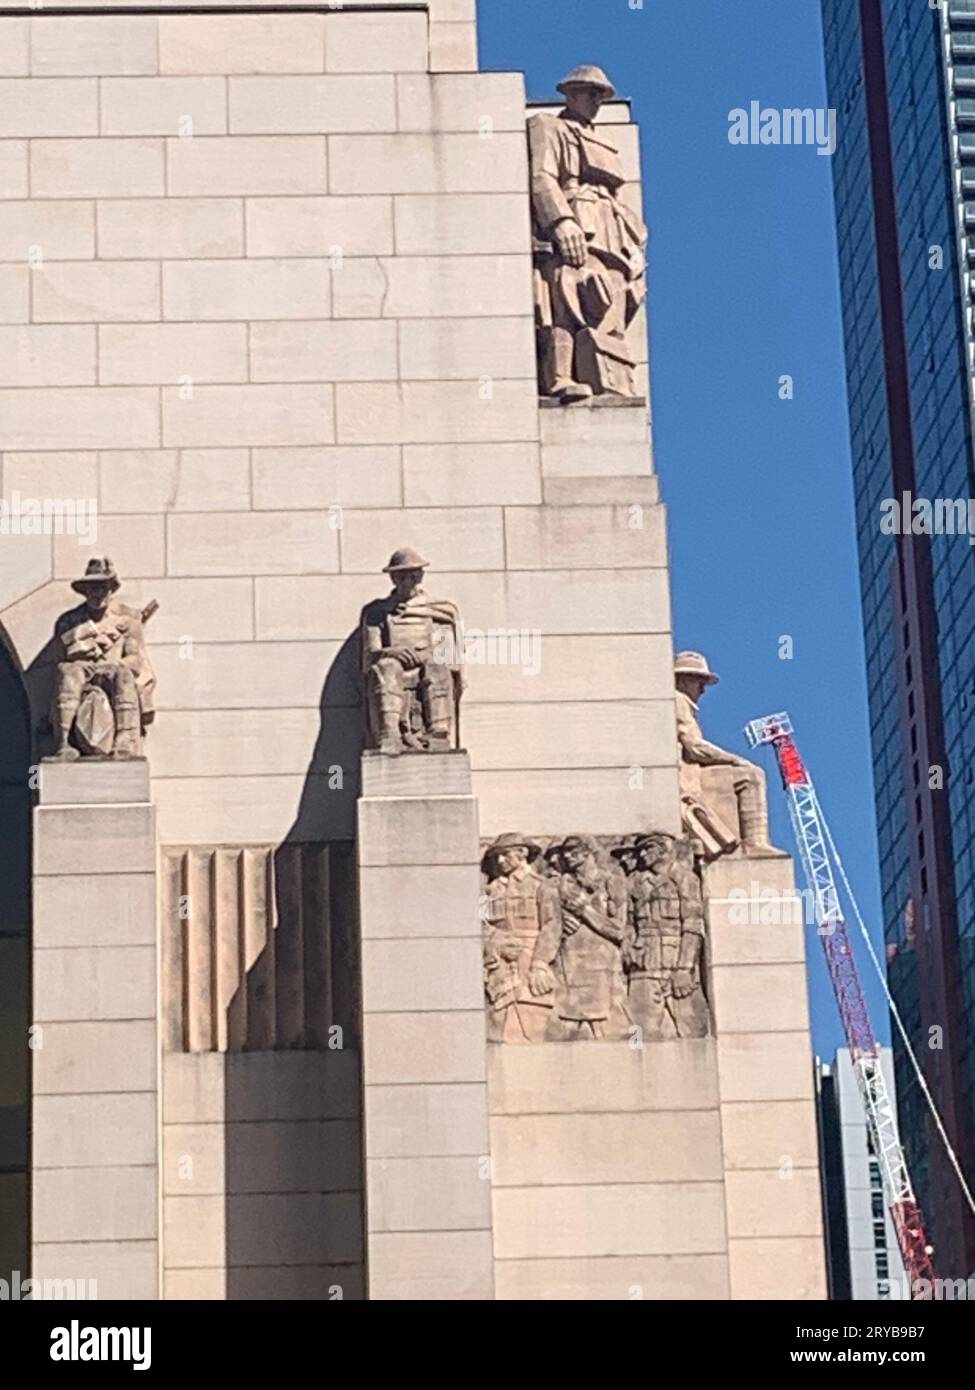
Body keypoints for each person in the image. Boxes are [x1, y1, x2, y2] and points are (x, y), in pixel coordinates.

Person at [528, 65, 647, 401]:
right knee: (566, 296)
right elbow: (542, 178)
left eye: (600, 95)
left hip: (611, 230)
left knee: (610, 303)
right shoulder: (549, 127)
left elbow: (616, 198)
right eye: (590, 92)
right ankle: (560, 376)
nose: (596, 101)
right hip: (577, 219)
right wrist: (561, 221)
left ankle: (607, 379)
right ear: (571, 93)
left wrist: (633, 246)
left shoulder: (604, 143)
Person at [359, 548, 464, 755]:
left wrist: (427, 654)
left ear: (421, 576)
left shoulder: (439, 611)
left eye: (413, 575)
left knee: (437, 666)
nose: (408, 581)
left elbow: (448, 654)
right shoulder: (377, 612)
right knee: (386, 669)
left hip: (428, 660)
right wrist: (392, 652)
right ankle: (389, 734)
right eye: (401, 575)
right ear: (393, 578)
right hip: (394, 662)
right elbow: (370, 654)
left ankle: (438, 731)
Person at [50, 557, 156, 760]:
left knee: (123, 676)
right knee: (68, 673)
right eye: (91, 588)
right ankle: (63, 742)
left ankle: (124, 741)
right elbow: (61, 659)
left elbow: (135, 658)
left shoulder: (127, 621)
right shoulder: (69, 621)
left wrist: (117, 664)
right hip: (82, 671)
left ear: (110, 589)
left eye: (101, 587)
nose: (96, 593)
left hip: (113, 670)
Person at [481, 834, 562, 1044]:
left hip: (530, 964)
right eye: (496, 857)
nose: (499, 861)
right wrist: (496, 942)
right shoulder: (489, 891)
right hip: (499, 965)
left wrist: (540, 964)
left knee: (530, 1025)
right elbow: (479, 924)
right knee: (499, 1025)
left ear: (522, 853)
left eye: (505, 855)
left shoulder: (541, 885)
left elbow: (552, 926)